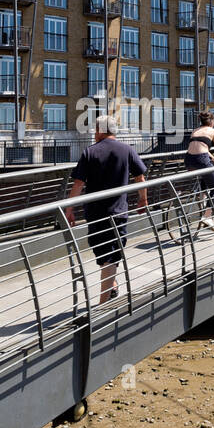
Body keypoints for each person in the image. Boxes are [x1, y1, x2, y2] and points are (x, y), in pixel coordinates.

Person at [64, 115, 148, 304]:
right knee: (110, 252)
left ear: (100, 131)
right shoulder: (127, 150)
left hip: (94, 212)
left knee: (103, 251)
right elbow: (140, 178)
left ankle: (103, 301)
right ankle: (112, 285)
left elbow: (78, 184)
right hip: (118, 211)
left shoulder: (90, 152)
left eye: (95, 129)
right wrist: (143, 200)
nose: (94, 133)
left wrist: (69, 209)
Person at [183, 110, 214, 230]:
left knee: (206, 179)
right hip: (201, 160)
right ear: (212, 121)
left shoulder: (195, 130)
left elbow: (204, 150)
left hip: (189, 160)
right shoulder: (212, 131)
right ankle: (207, 216)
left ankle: (204, 203)